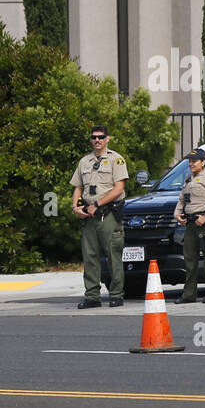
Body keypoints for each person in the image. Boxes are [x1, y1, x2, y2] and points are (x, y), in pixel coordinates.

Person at [69, 124, 128, 309]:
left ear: (107, 139)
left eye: (101, 137)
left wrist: (97, 205)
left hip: (108, 214)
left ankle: (117, 294)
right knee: (90, 257)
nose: (97, 140)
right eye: (94, 137)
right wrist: (75, 207)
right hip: (89, 216)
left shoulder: (116, 160)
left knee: (113, 256)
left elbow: (119, 188)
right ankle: (92, 296)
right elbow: (78, 187)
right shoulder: (84, 161)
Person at [172, 148, 205, 303]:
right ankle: (189, 295)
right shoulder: (188, 178)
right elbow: (182, 199)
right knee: (189, 259)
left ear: (203, 162)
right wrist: (177, 213)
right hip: (190, 224)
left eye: (194, 161)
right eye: (189, 161)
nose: (191, 164)